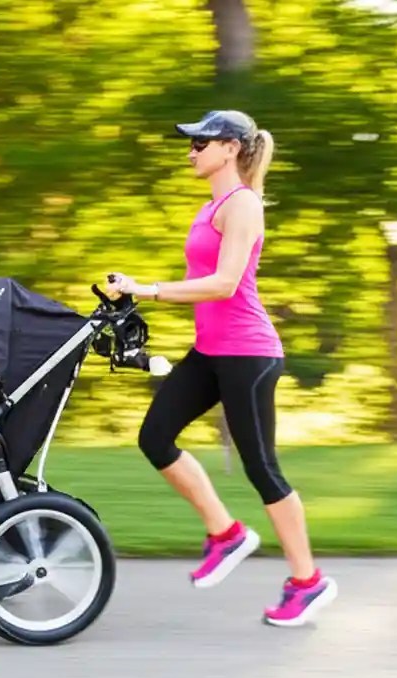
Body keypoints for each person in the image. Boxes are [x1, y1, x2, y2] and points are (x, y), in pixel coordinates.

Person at [105, 109, 338, 627]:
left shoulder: (244, 206)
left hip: (249, 355)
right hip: (211, 351)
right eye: (190, 144)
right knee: (155, 437)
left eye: (200, 143)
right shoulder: (208, 205)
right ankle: (226, 533)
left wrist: (149, 288)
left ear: (230, 148)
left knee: (262, 469)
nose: (191, 151)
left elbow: (225, 283)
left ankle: (308, 581)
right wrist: (132, 290)